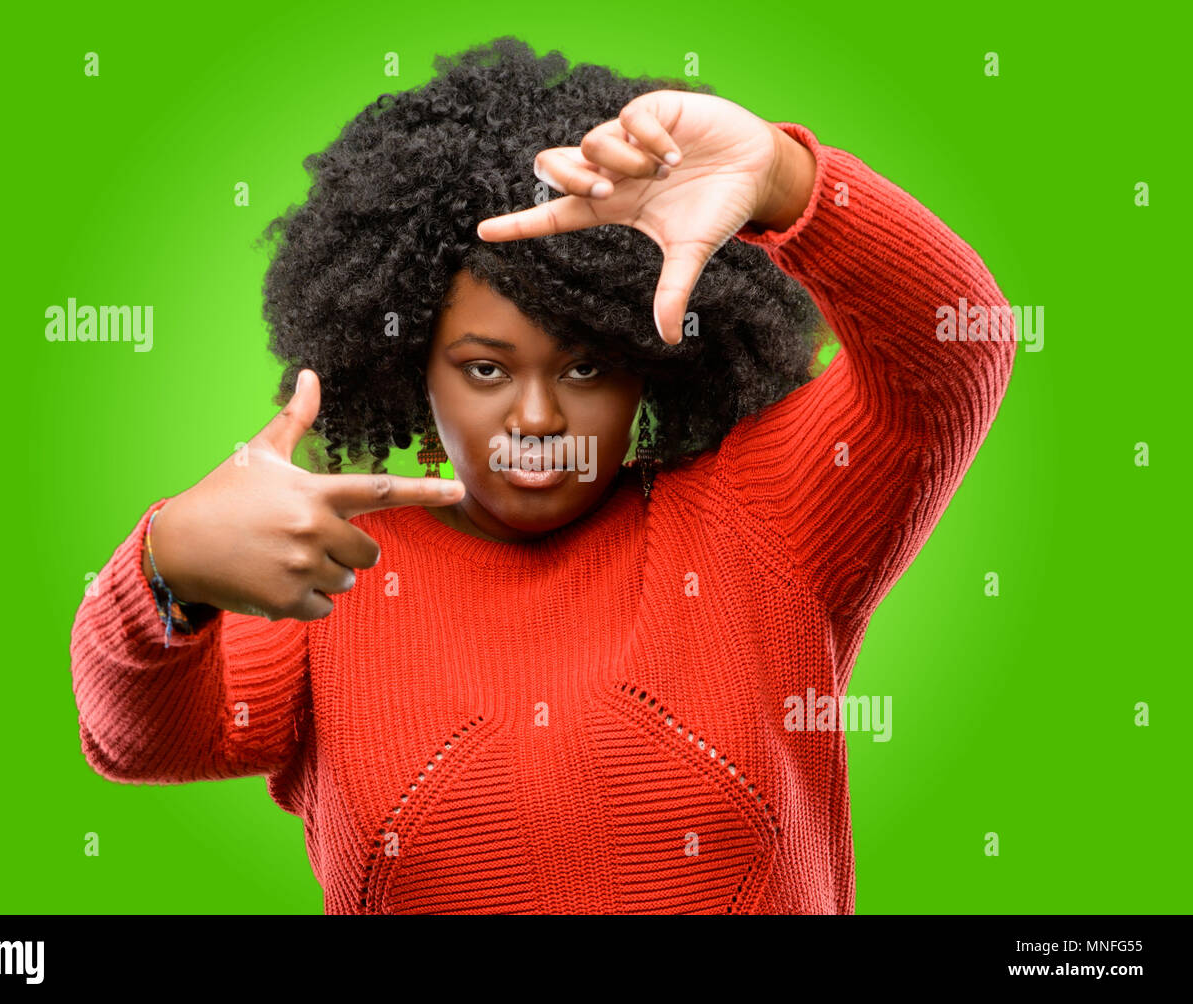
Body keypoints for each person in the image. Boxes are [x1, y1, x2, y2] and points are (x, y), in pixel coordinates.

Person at [69, 36, 1016, 914]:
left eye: (584, 367)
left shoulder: (757, 521)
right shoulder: (339, 576)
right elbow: (140, 739)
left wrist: (781, 178)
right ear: (410, 368)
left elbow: (957, 347)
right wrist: (167, 564)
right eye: (485, 369)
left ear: (651, 357)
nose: (535, 416)